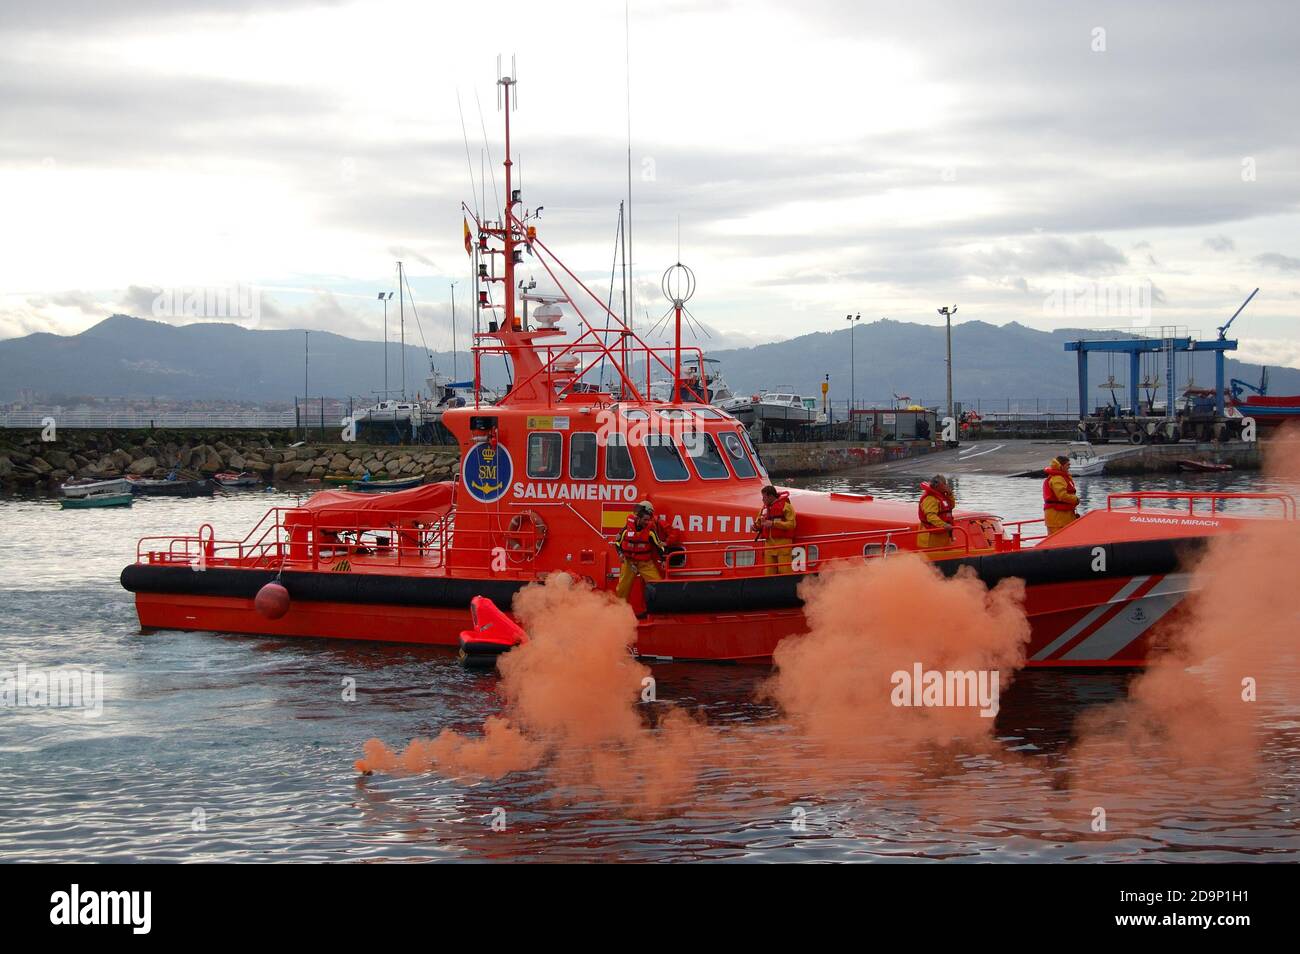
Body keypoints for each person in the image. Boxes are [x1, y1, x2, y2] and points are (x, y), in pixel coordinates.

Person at [615, 500, 665, 601]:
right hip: (629, 562)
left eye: (648, 519)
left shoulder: (650, 531)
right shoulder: (626, 528)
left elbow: (659, 546)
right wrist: (620, 554)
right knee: (622, 588)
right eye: (645, 520)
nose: (647, 522)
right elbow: (617, 543)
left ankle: (658, 610)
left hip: (645, 563)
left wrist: (663, 560)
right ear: (638, 518)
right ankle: (620, 610)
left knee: (658, 585)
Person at [756, 485, 797, 575]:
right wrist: (755, 527)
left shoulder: (786, 507)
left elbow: (792, 524)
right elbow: (758, 522)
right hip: (769, 546)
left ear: (771, 496)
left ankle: (786, 588)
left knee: (785, 572)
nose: (763, 500)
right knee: (769, 573)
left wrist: (773, 524)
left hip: (783, 545)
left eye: (764, 497)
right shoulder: (764, 508)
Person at [1042, 455, 1080, 534]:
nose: (1069, 467)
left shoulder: (1059, 477)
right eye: (1067, 465)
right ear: (1061, 466)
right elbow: (1062, 495)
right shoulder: (1058, 478)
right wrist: (1075, 499)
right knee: (1057, 539)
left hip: (1061, 516)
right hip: (1058, 517)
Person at [917, 475, 956, 548]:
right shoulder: (930, 499)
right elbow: (931, 517)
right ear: (938, 486)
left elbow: (951, 506)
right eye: (945, 484)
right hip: (932, 538)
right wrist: (944, 525)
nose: (946, 486)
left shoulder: (942, 496)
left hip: (942, 535)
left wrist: (950, 494)